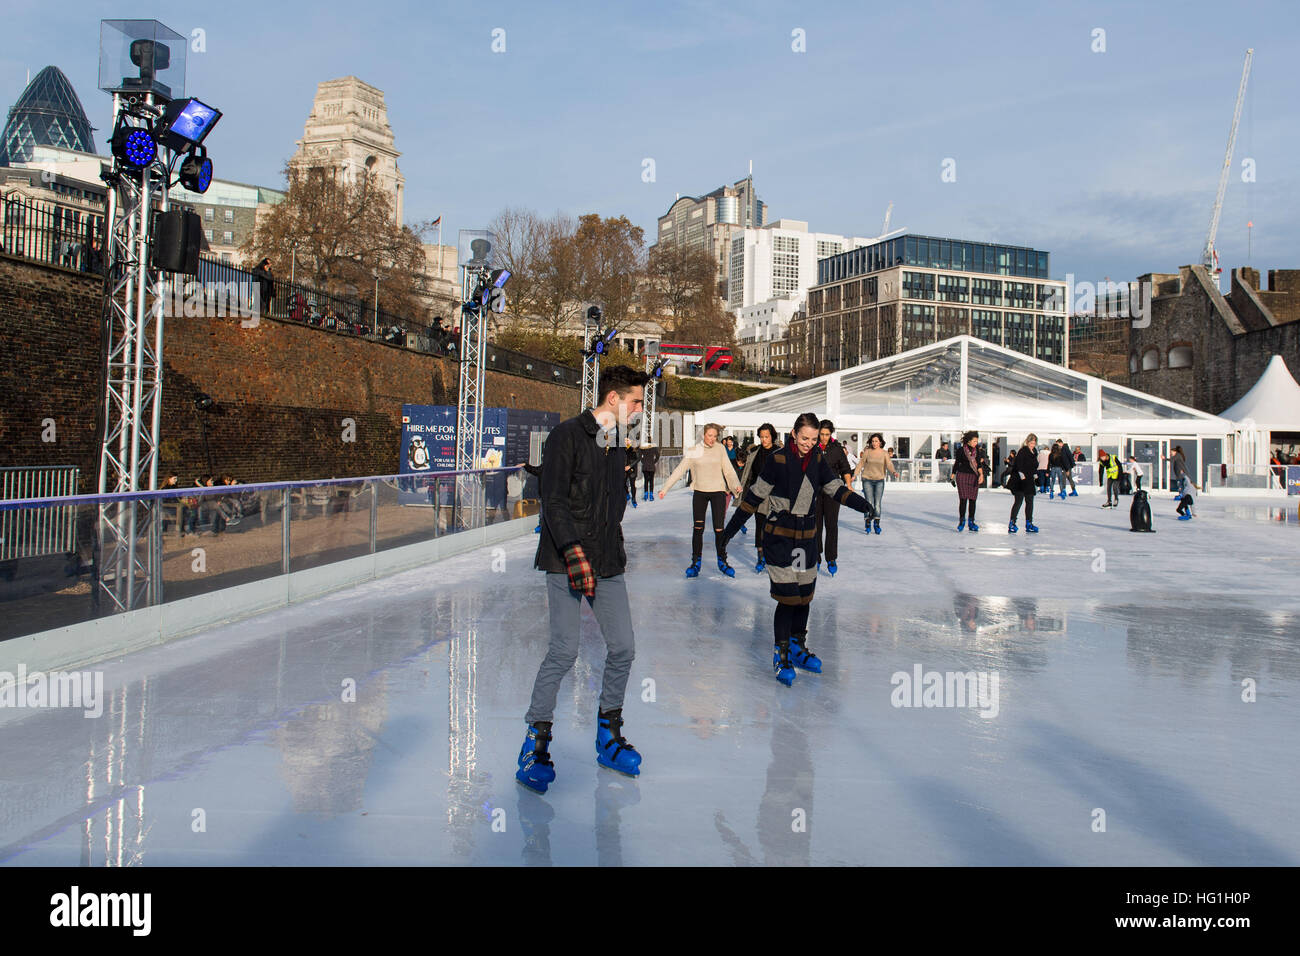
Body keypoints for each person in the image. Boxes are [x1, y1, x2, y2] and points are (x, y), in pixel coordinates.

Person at [517, 365, 649, 794]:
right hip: (565, 559)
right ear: (614, 399)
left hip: (607, 561)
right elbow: (552, 499)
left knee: (624, 648)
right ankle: (535, 743)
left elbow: (611, 507)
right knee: (563, 651)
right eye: (636, 402)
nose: (639, 410)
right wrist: (574, 552)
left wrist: (610, 546)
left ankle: (608, 735)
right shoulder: (567, 436)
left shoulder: (615, 446)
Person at [721, 412, 877, 686]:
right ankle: (780, 653)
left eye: (814, 438)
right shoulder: (778, 459)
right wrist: (729, 532)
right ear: (793, 434)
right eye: (805, 437)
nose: (809, 443)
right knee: (788, 597)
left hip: (805, 539)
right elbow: (754, 496)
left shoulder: (818, 459)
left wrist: (862, 504)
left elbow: (834, 488)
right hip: (779, 538)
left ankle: (796, 645)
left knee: (804, 595)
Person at [660, 423, 743, 577]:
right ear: (703, 435)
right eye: (709, 435)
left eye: (715, 436)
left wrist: (736, 485)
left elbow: (729, 471)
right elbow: (680, 469)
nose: (712, 439)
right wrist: (665, 488)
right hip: (700, 492)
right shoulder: (695, 450)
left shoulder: (720, 450)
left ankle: (722, 561)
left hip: (718, 492)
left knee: (719, 529)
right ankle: (696, 562)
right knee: (698, 528)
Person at [737, 423, 781, 572]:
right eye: (761, 437)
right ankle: (761, 556)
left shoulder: (780, 452)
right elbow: (749, 474)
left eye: (766, 437)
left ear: (772, 437)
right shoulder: (755, 452)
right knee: (760, 525)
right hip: (759, 494)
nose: (764, 440)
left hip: (775, 495)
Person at [813, 420, 853, 574]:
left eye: (827, 434)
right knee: (815, 526)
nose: (824, 437)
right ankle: (815, 556)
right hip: (815, 492)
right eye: (821, 434)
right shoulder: (812, 447)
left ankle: (831, 558)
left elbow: (845, 468)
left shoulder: (837, 449)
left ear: (831, 434)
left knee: (831, 525)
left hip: (832, 491)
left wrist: (848, 485)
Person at [852, 433, 897, 534]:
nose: (874, 443)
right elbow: (860, 464)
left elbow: (889, 464)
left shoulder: (884, 453)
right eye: (872, 441)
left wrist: (893, 472)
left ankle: (876, 523)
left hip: (879, 480)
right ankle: (867, 522)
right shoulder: (867, 452)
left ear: (880, 442)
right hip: (867, 479)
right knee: (869, 502)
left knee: (877, 503)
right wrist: (855, 475)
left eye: (876, 441)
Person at [953, 430, 987, 532]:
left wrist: (981, 475)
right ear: (968, 441)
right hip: (962, 476)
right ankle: (962, 520)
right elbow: (957, 463)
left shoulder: (977, 451)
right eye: (974, 441)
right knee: (963, 499)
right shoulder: (961, 451)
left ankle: (971, 522)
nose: (976, 443)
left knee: (973, 499)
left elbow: (979, 465)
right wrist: (952, 475)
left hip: (973, 476)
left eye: (977, 441)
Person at [1007, 434, 1040, 533]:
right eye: (1031, 443)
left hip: (1029, 480)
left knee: (1030, 502)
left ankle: (1029, 523)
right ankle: (1012, 522)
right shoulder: (1023, 451)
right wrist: (1022, 477)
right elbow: (1019, 465)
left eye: (1034, 443)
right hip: (1020, 480)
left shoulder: (1034, 452)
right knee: (1019, 501)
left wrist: (1036, 477)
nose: (1032, 445)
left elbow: (1034, 467)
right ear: (1027, 442)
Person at [624, 438, 639, 508]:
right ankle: (627, 494)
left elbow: (638, 459)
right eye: (625, 440)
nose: (626, 441)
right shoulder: (623, 449)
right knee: (623, 483)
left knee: (632, 484)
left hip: (632, 469)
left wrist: (630, 466)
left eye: (627, 440)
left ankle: (634, 499)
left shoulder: (634, 448)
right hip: (624, 469)